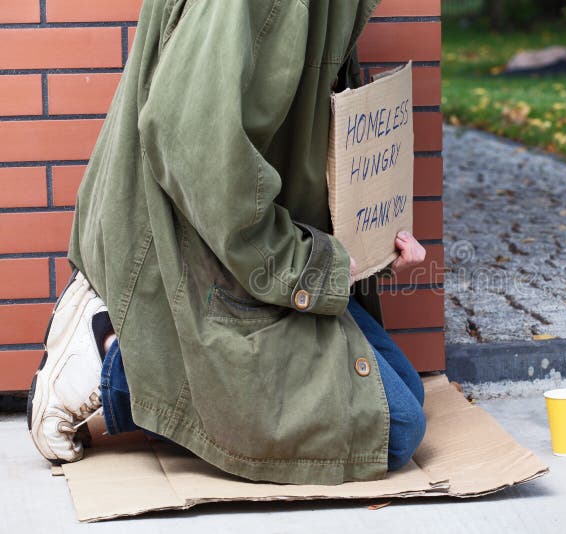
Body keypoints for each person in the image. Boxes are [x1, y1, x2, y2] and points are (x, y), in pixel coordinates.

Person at [27, 0, 428, 484]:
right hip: (185, 250)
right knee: (394, 428)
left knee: (401, 395)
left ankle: (135, 349)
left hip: (238, 244)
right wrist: (310, 271)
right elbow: (189, 143)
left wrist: (370, 246)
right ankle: (110, 357)